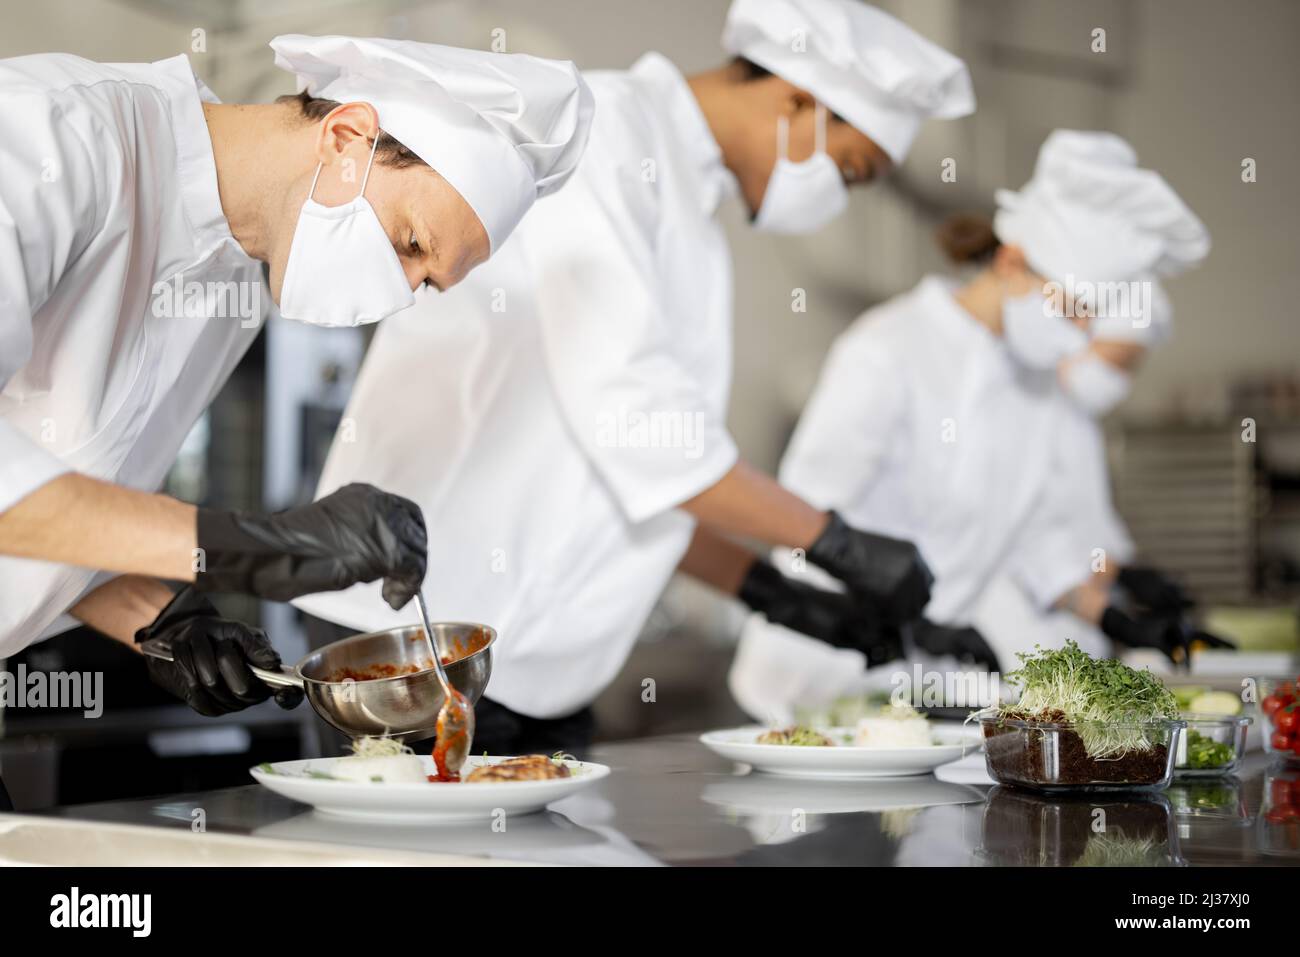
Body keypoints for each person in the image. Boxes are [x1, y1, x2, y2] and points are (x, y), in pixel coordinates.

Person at [294, 0, 976, 753]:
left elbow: (639, 482)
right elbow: (637, 427)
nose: (838, 198)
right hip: (417, 639)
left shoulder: (692, 218)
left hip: (532, 669)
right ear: (797, 99)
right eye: (848, 170)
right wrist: (835, 541)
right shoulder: (601, 132)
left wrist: (780, 595)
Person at [0, 36, 593, 719]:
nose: (401, 288)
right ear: (346, 136)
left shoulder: (232, 291)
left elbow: (55, 506)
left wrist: (164, 617)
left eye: (424, 284)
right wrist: (259, 549)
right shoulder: (54, 139)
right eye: (411, 243)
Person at [730, 130, 1231, 721]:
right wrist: (900, 614)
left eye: (1088, 319)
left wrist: (1116, 618)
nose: (1077, 333)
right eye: (1069, 308)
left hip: (929, 684)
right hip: (818, 674)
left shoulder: (1036, 385)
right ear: (1012, 262)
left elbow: (1033, 544)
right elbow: (805, 516)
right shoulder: (888, 349)